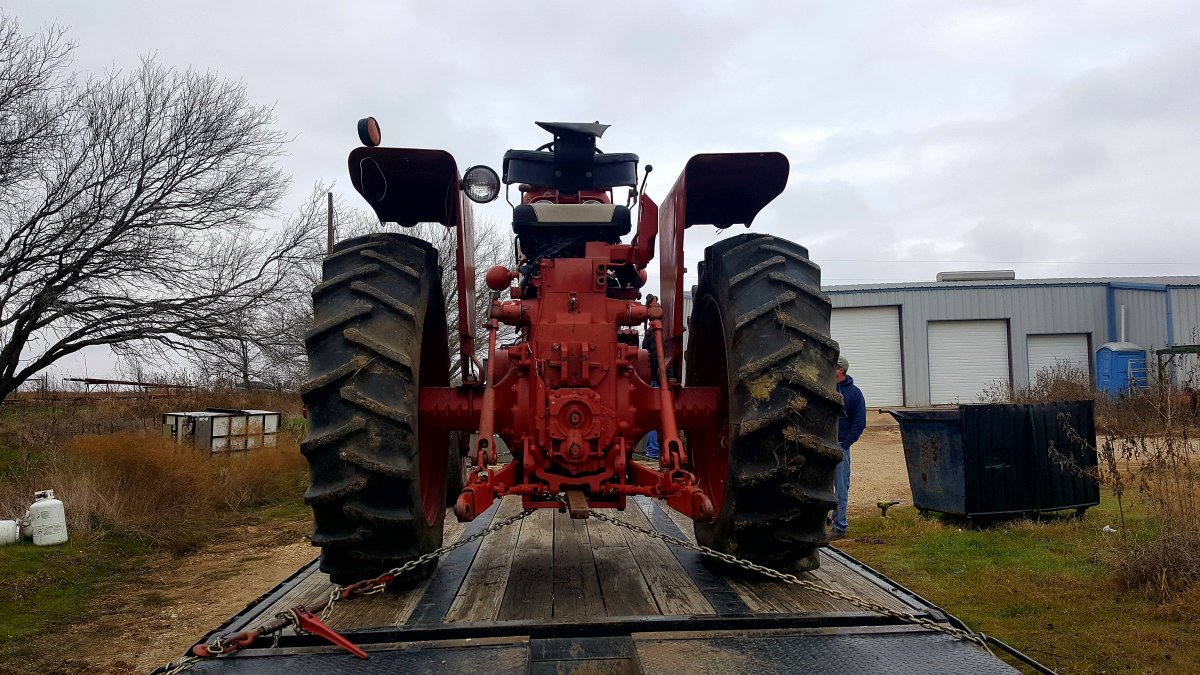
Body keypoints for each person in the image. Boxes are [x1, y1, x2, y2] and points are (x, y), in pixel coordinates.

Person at [833, 355, 866, 537]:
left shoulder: (854, 394)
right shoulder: (825, 388)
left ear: (841, 370)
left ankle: (840, 525)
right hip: (823, 445)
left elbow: (860, 422)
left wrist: (845, 444)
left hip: (840, 445)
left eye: (833, 366)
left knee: (841, 487)